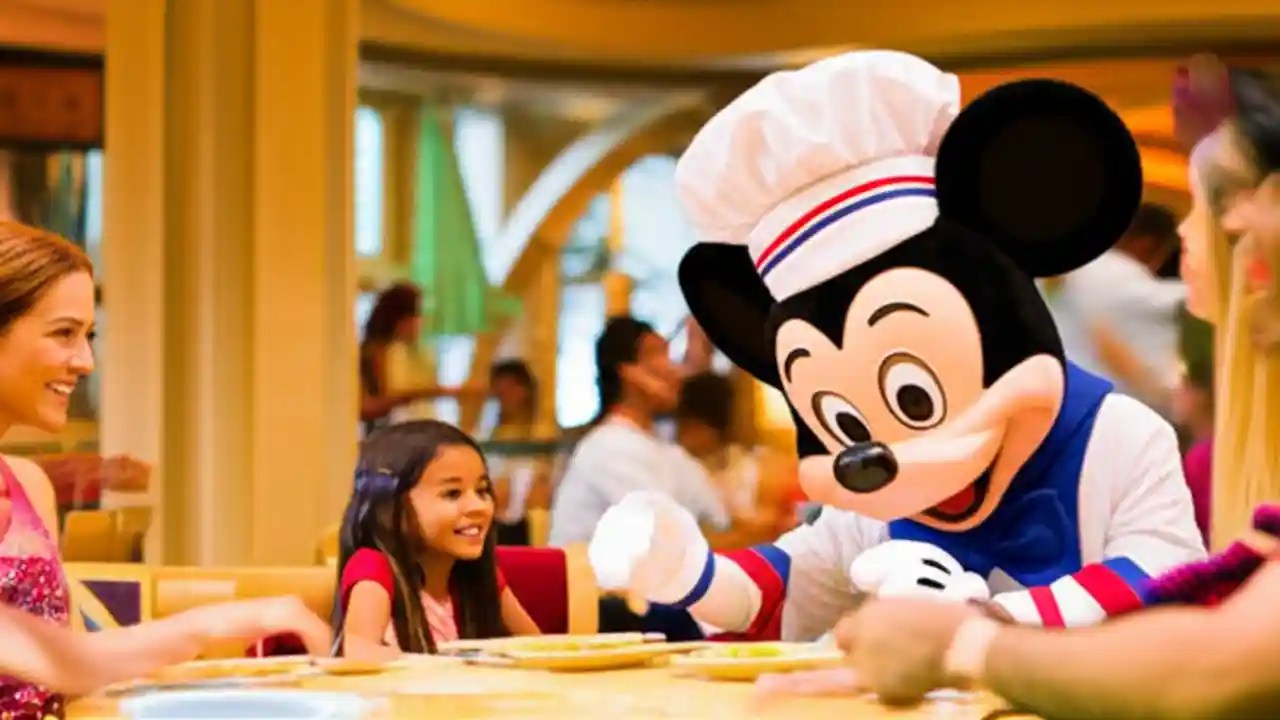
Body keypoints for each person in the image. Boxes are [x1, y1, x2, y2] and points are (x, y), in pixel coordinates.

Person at [760, 62, 1280, 719]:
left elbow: (1219, 668)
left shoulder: (1121, 436)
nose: (1188, 231)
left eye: (1217, 203)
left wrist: (966, 642)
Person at [0, 221, 330, 715]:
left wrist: (249, 618)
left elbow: (74, 666)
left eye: (88, 335)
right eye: (64, 333)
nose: (85, 360)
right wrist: (231, 618)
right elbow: (65, 663)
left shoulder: (29, 485)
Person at [332, 420, 540, 660]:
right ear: (391, 507)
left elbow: (534, 648)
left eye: (482, 490)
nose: (478, 506)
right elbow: (359, 651)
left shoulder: (480, 575)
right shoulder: (375, 568)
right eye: (453, 494)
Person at [547, 316, 730, 548]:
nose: (673, 369)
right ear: (627, 372)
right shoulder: (610, 447)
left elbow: (719, 520)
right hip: (589, 583)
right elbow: (667, 541)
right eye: (658, 354)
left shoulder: (664, 449)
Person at [1045, 203, 1187, 412]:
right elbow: (1177, 301)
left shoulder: (1070, 269)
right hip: (1115, 412)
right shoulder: (1119, 276)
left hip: (1057, 401)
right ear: (1146, 244)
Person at [359, 283, 484, 435]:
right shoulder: (377, 352)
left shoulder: (413, 352)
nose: (420, 322)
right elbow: (382, 399)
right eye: (416, 315)